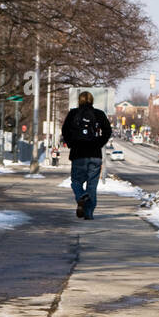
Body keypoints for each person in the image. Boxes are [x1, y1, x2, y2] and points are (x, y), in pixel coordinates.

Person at [60, 91, 113, 220]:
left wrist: (72, 144)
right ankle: (88, 213)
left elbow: (65, 131)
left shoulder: (73, 113)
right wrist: (99, 143)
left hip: (78, 154)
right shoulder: (99, 114)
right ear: (92, 100)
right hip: (95, 155)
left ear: (79, 100)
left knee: (76, 182)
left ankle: (81, 196)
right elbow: (108, 131)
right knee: (92, 185)